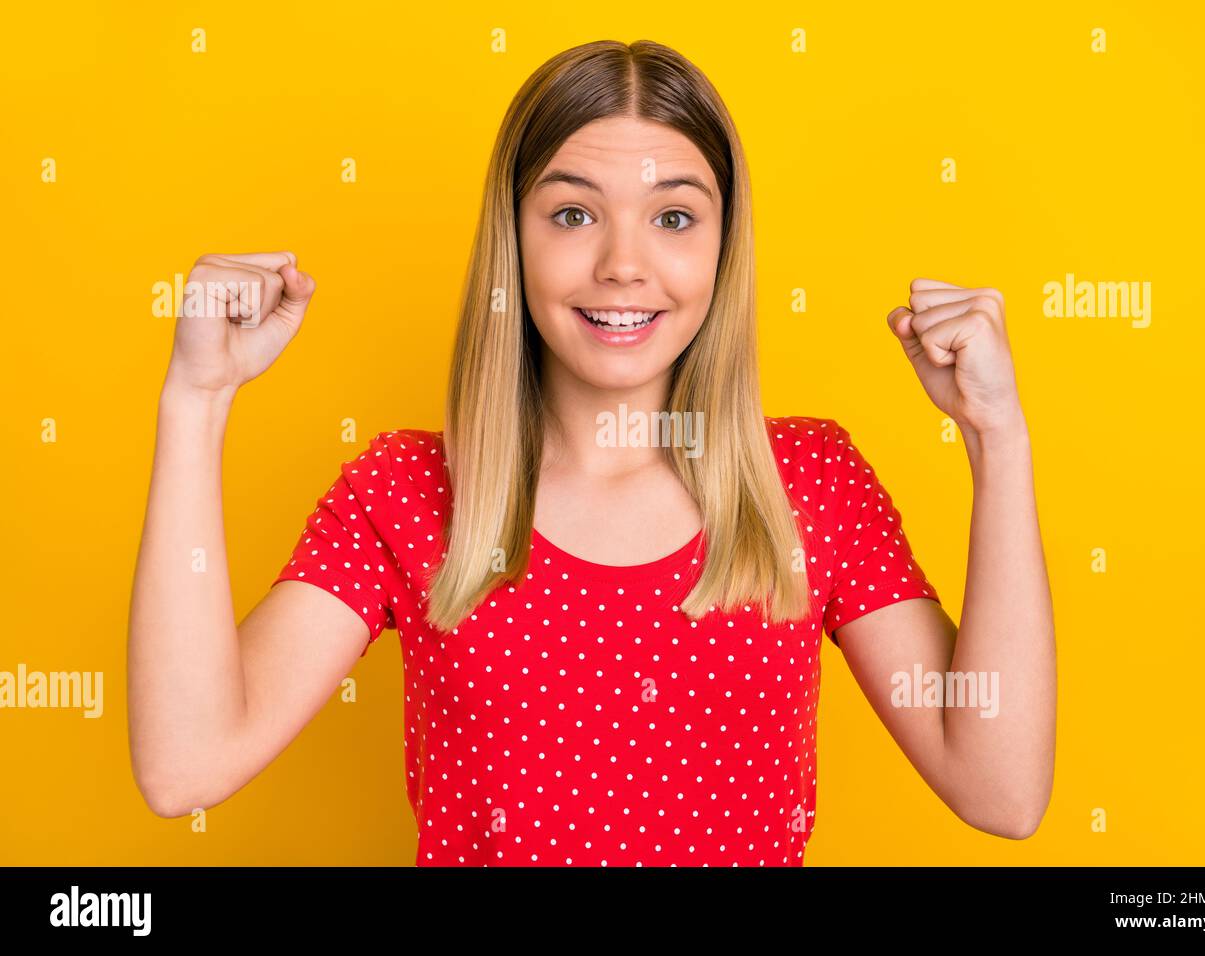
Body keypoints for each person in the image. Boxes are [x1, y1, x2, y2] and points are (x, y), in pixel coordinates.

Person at [128, 39, 1056, 867]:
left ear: (725, 247)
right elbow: (186, 765)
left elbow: (1001, 791)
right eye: (573, 215)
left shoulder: (805, 484)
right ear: (514, 241)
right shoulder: (407, 493)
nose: (622, 263)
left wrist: (997, 435)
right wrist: (196, 400)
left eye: (674, 216)